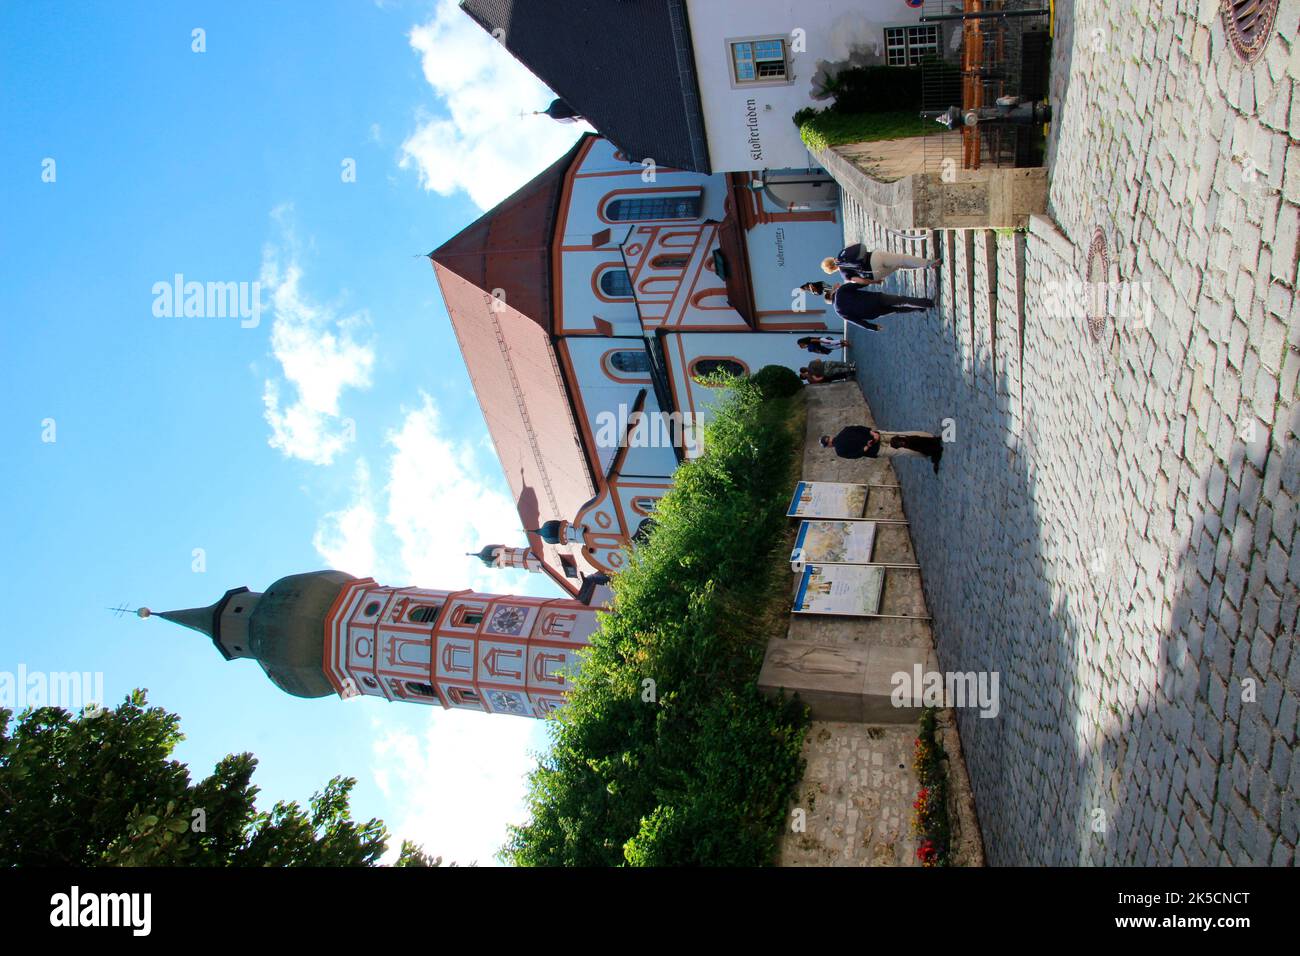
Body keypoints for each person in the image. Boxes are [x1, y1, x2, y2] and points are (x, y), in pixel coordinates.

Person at [820, 426, 943, 473]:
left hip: (875, 450)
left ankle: (930, 452)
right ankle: (932, 439)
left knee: (903, 451)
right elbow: (861, 428)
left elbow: (856, 455)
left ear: (829, 446)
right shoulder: (844, 431)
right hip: (878, 436)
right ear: (830, 436)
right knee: (905, 435)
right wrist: (873, 433)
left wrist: (866, 447)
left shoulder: (840, 452)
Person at [832, 282, 933, 332]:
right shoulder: (841, 290)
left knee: (897, 310)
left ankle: (919, 308)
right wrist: (873, 280)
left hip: (873, 312)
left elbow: (856, 321)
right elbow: (859, 284)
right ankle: (926, 303)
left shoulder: (839, 311)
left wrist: (872, 327)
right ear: (833, 291)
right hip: (875, 299)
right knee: (901, 300)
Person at [823, 243, 938, 283]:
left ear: (832, 271)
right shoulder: (842, 254)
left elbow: (861, 281)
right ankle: (928, 263)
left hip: (874, 273)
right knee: (901, 259)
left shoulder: (844, 275)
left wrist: (875, 282)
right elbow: (856, 246)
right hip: (873, 257)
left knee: (898, 266)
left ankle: (925, 266)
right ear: (831, 259)